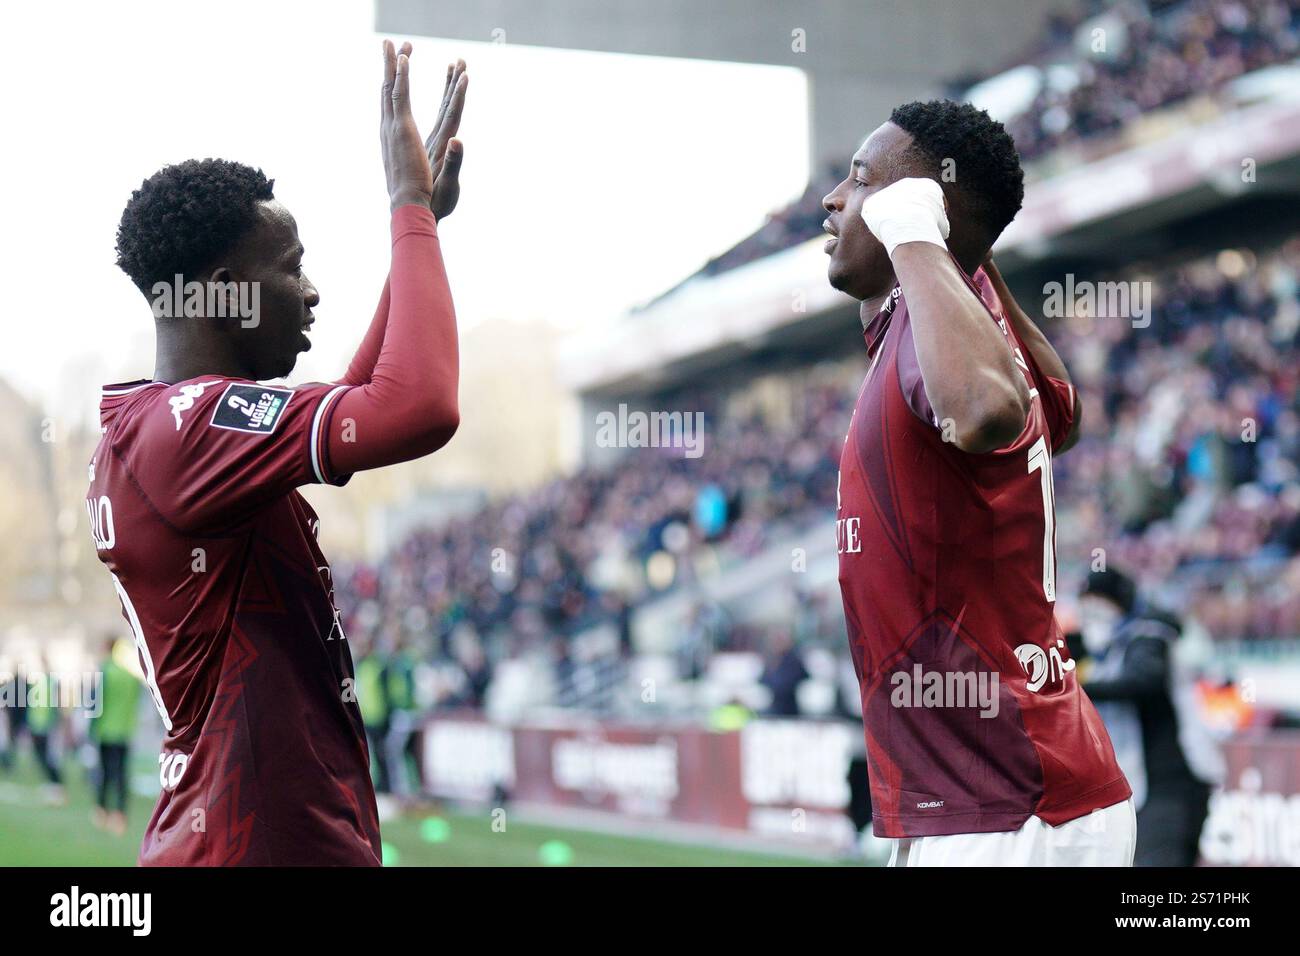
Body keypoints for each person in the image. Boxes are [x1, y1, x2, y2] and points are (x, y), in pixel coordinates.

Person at [85, 42, 467, 865]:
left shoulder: (171, 426)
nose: (313, 290)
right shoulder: (190, 430)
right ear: (223, 288)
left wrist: (421, 225)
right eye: (293, 269)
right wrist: (406, 208)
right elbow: (420, 407)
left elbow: (367, 395)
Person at [824, 99, 1133, 866]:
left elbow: (993, 410)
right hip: (977, 804)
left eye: (860, 180)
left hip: (1013, 811)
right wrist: (956, 252)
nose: (835, 199)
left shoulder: (958, 362)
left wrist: (921, 237)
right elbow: (1061, 414)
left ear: (914, 210)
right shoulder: (936, 325)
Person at [1078, 568, 1215, 867]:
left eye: (1100, 606)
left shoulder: (1148, 637)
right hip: (1141, 786)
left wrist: (1074, 689)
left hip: (1172, 780)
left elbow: (1143, 680)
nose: (1092, 618)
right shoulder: (1106, 652)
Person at [90, 636, 144, 835]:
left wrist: (91, 729)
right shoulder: (131, 676)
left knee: (104, 772)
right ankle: (120, 815)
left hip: (105, 730)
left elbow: (96, 703)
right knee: (121, 774)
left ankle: (101, 810)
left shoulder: (105, 670)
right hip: (125, 731)